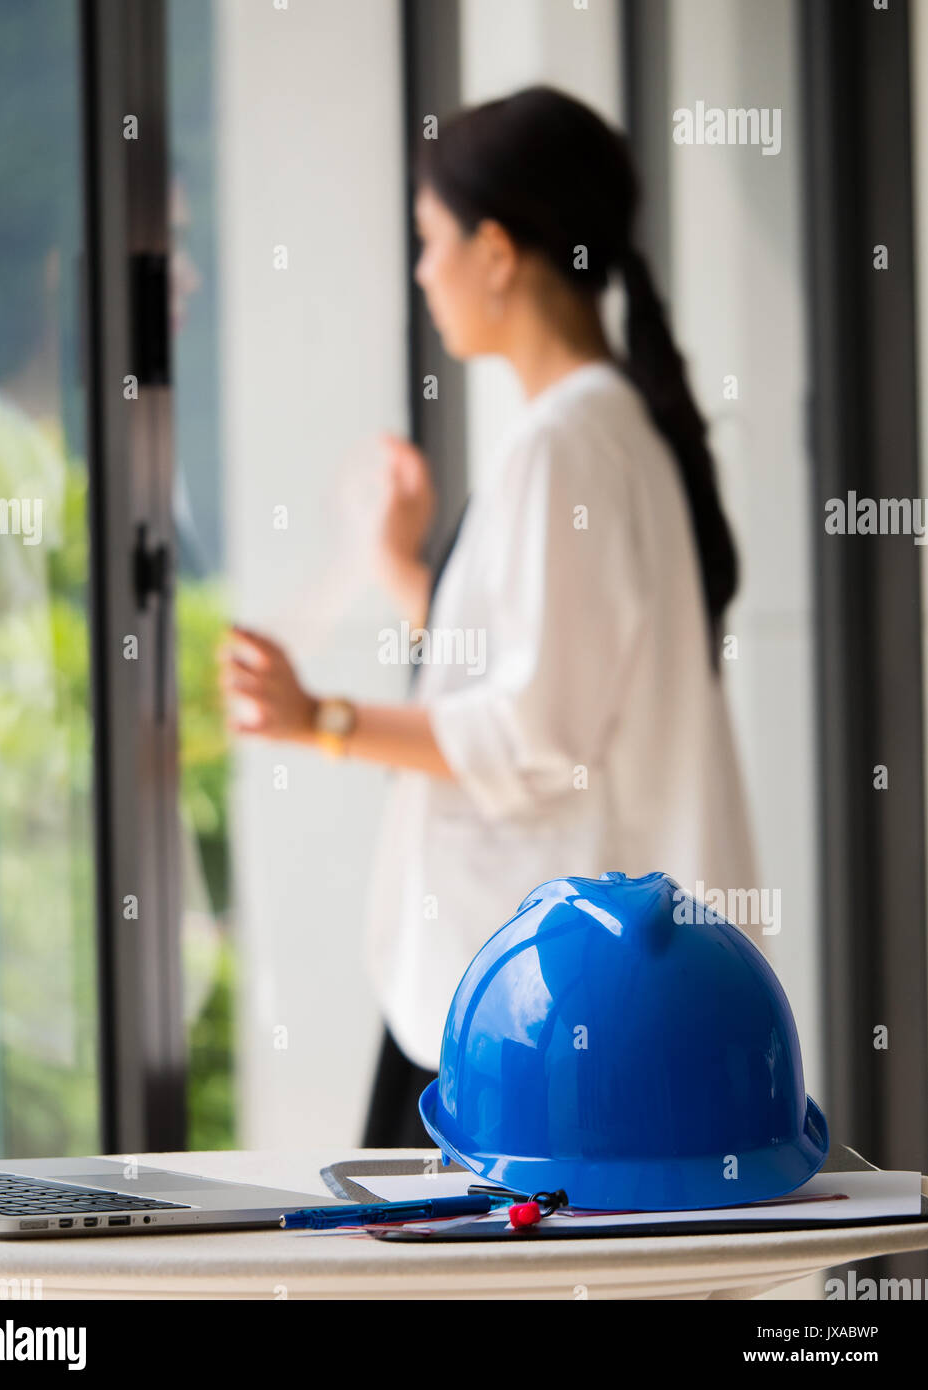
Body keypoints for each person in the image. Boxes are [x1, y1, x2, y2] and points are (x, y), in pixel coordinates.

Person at [218, 84, 760, 1146]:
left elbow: (532, 738)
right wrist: (403, 568)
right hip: (547, 996)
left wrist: (319, 716)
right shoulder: (604, 434)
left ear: (499, 252)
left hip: (534, 1009)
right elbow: (545, 682)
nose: (423, 271)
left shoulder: (568, 446)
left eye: (431, 240)